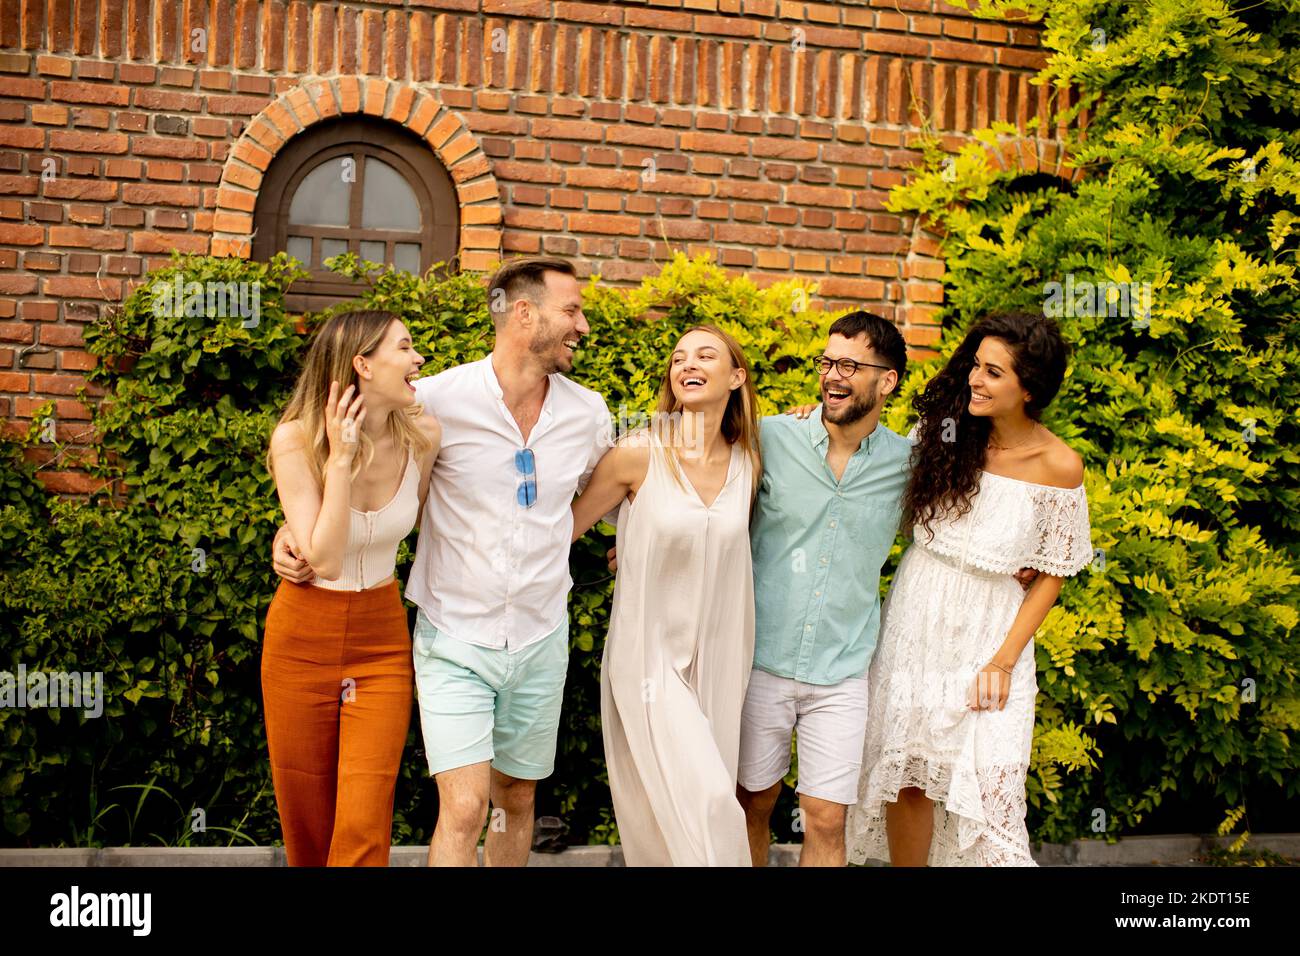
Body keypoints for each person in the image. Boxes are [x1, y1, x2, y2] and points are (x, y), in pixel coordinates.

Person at [274, 257, 611, 867]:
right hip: (454, 633)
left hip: (541, 634)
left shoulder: (589, 414)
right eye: (572, 309)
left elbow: (617, 490)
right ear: (524, 314)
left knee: (516, 797)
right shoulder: (432, 404)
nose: (583, 324)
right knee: (462, 808)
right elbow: (359, 467)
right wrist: (291, 534)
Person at [846, 309, 1093, 867]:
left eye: (994, 373)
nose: (975, 380)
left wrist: (1003, 662)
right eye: (975, 366)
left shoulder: (1060, 465)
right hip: (916, 614)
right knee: (907, 773)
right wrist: (809, 420)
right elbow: (863, 454)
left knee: (988, 782)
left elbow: (1052, 571)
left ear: (1029, 388)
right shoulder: (944, 435)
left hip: (992, 634)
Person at [571, 324, 762, 866]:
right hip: (650, 660)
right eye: (679, 358)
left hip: (721, 659)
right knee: (710, 803)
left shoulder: (749, 460)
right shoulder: (638, 451)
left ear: (736, 377)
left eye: (705, 355)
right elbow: (561, 532)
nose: (688, 364)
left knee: (676, 813)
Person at [262, 310, 441, 866]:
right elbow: (326, 561)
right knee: (307, 815)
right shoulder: (296, 440)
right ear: (362, 364)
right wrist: (339, 464)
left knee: (365, 812)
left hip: (380, 640)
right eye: (406, 348)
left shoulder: (424, 438)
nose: (418, 360)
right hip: (301, 637)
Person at [734, 311, 913, 867]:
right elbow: (703, 500)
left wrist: (1024, 563)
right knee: (751, 802)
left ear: (887, 381)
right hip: (758, 659)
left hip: (842, 670)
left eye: (850, 365)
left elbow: (954, 529)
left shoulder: (909, 465)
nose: (833, 375)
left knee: (827, 816)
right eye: (828, 362)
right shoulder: (772, 438)